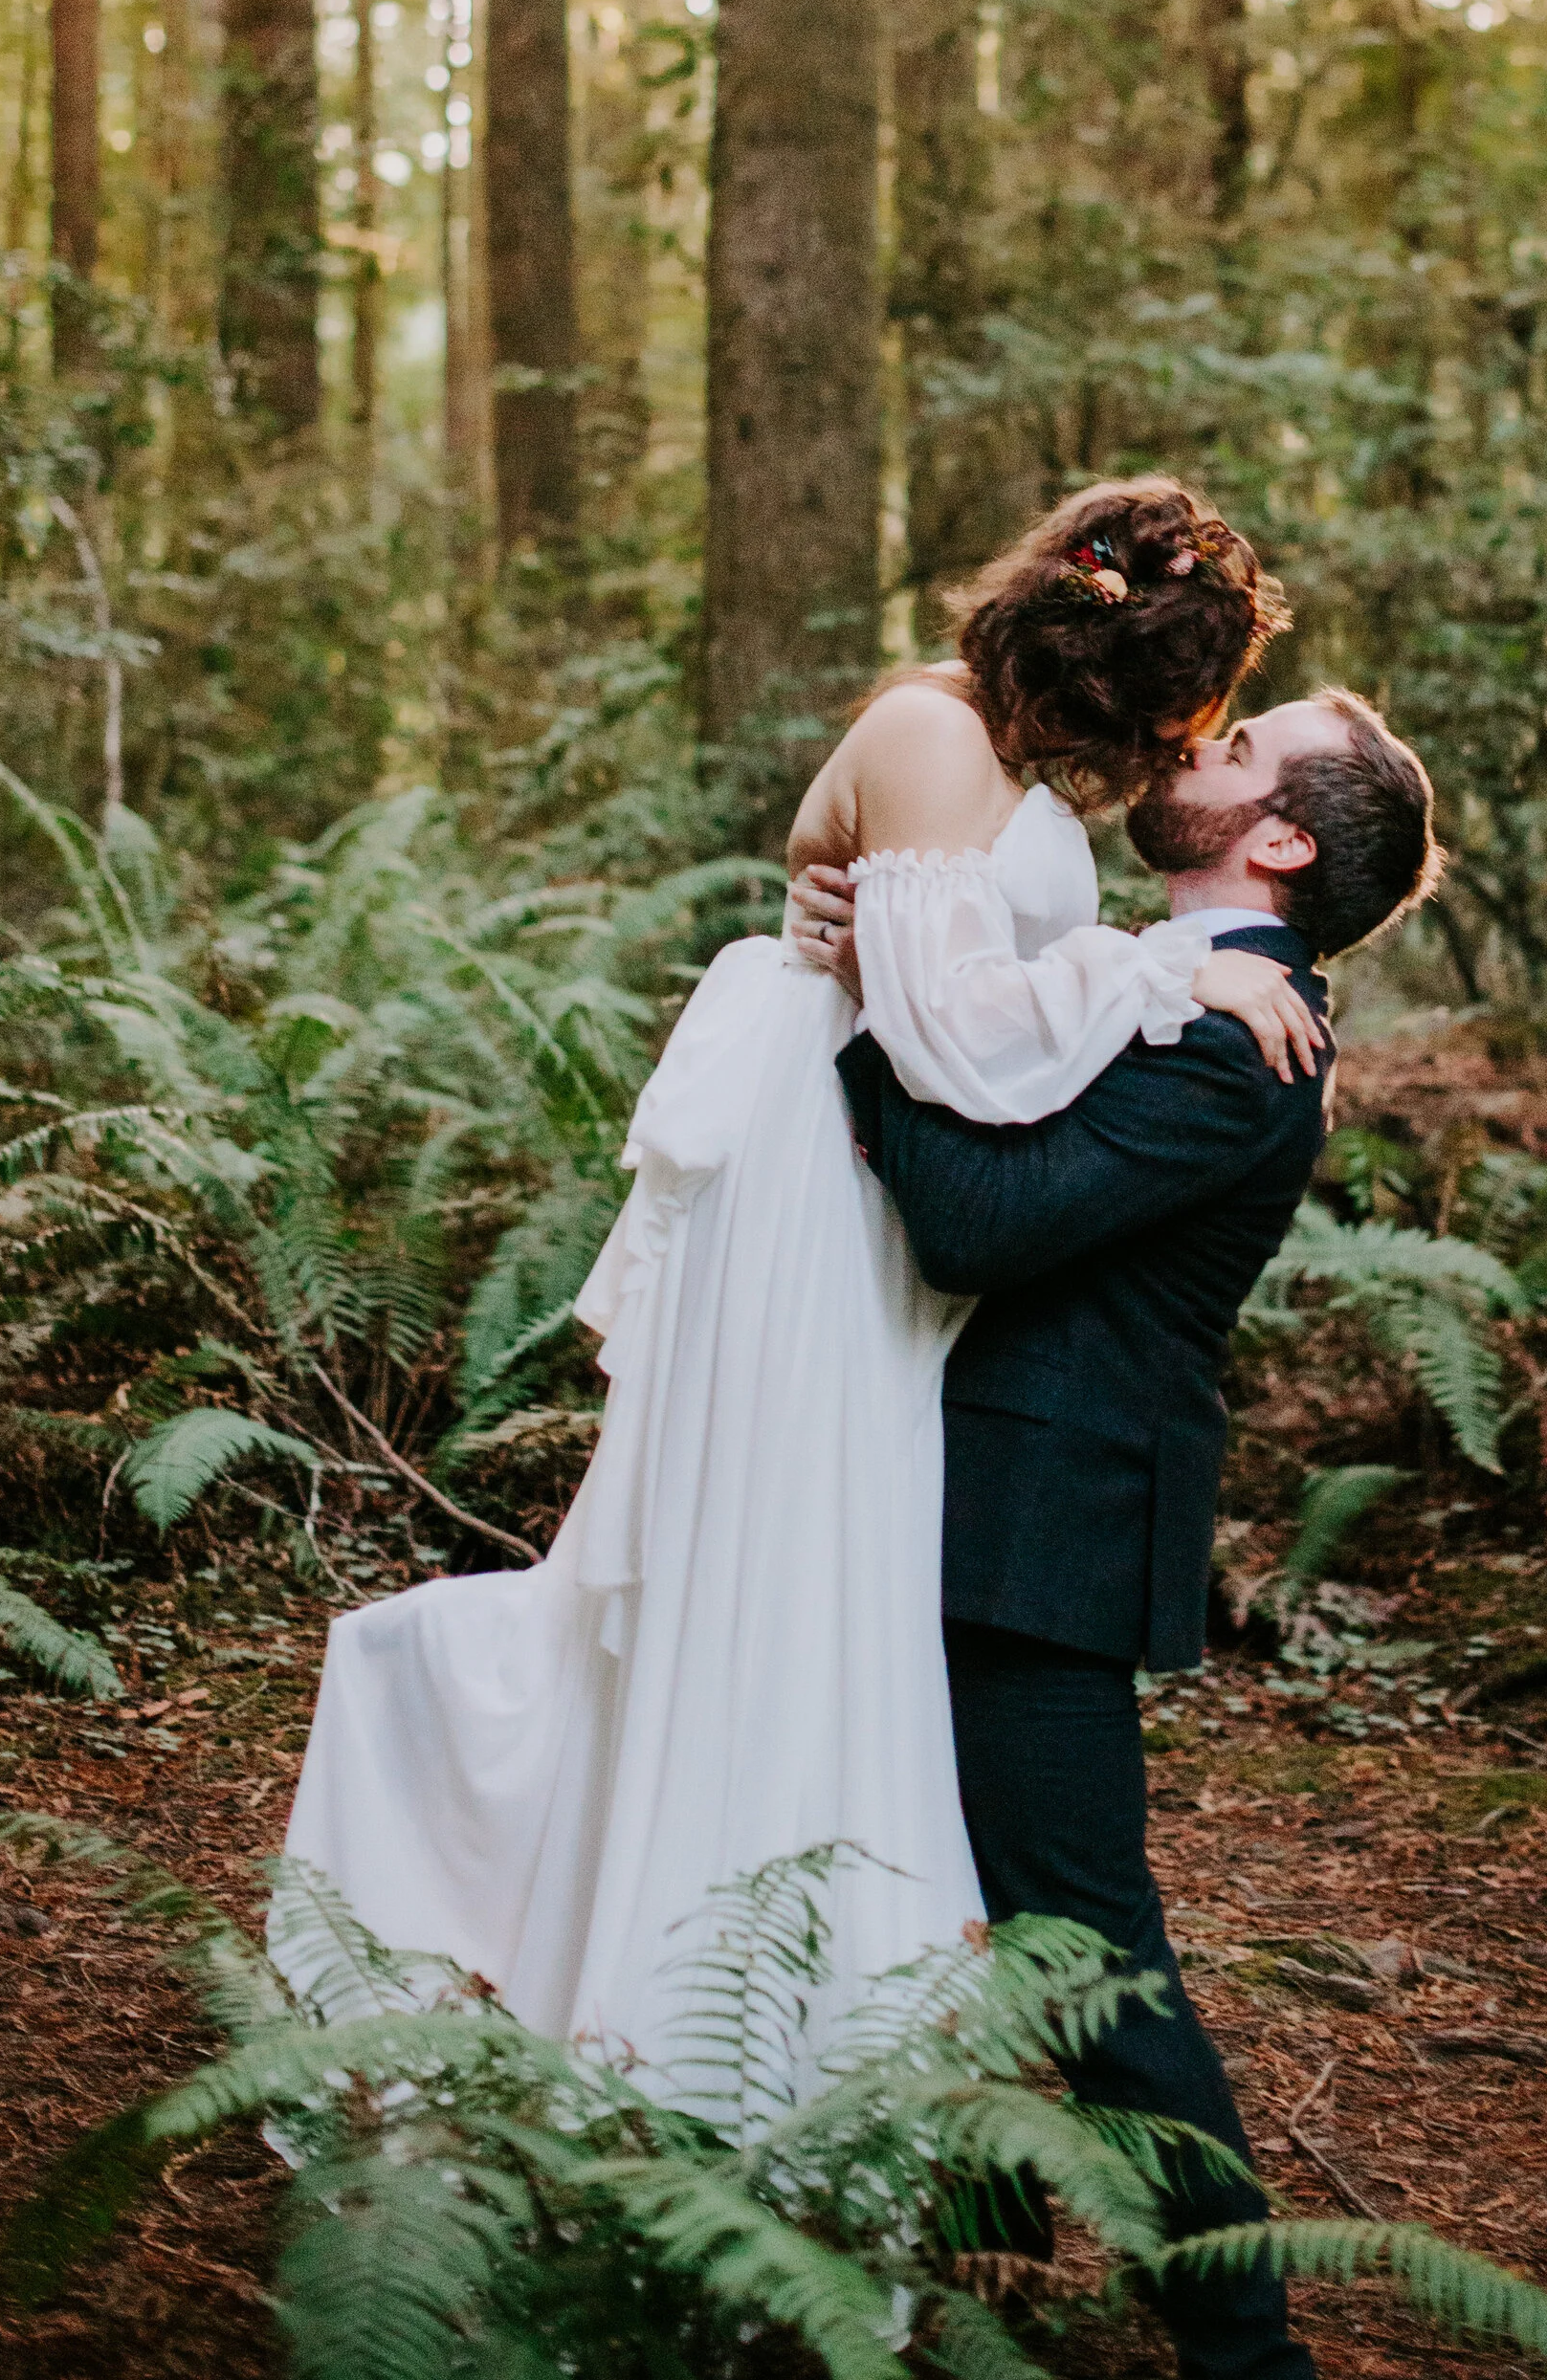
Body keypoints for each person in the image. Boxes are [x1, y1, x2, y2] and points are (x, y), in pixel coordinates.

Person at [277, 479, 1322, 2096]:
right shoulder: (932, 735)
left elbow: (964, 997)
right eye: (1187, 723)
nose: (1172, 760)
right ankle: (685, 2052)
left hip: (872, 1203)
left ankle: (824, 2059)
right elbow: (956, 1044)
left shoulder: (995, 760)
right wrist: (1168, 962)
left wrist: (1118, 961)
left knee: (837, 1598)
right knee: (774, 1588)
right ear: (1112, 680)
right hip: (815, 1203)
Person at [817, 689, 1440, 2380]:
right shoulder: (1171, 982)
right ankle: (979, 2267)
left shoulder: (1247, 1043)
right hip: (982, 1501)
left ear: (1282, 839)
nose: (1192, 747)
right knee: (946, 1899)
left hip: (1045, 1525)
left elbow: (975, 1218)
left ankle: (1247, 2353)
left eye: (1238, 753)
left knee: (1091, 1955)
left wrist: (871, 1014)